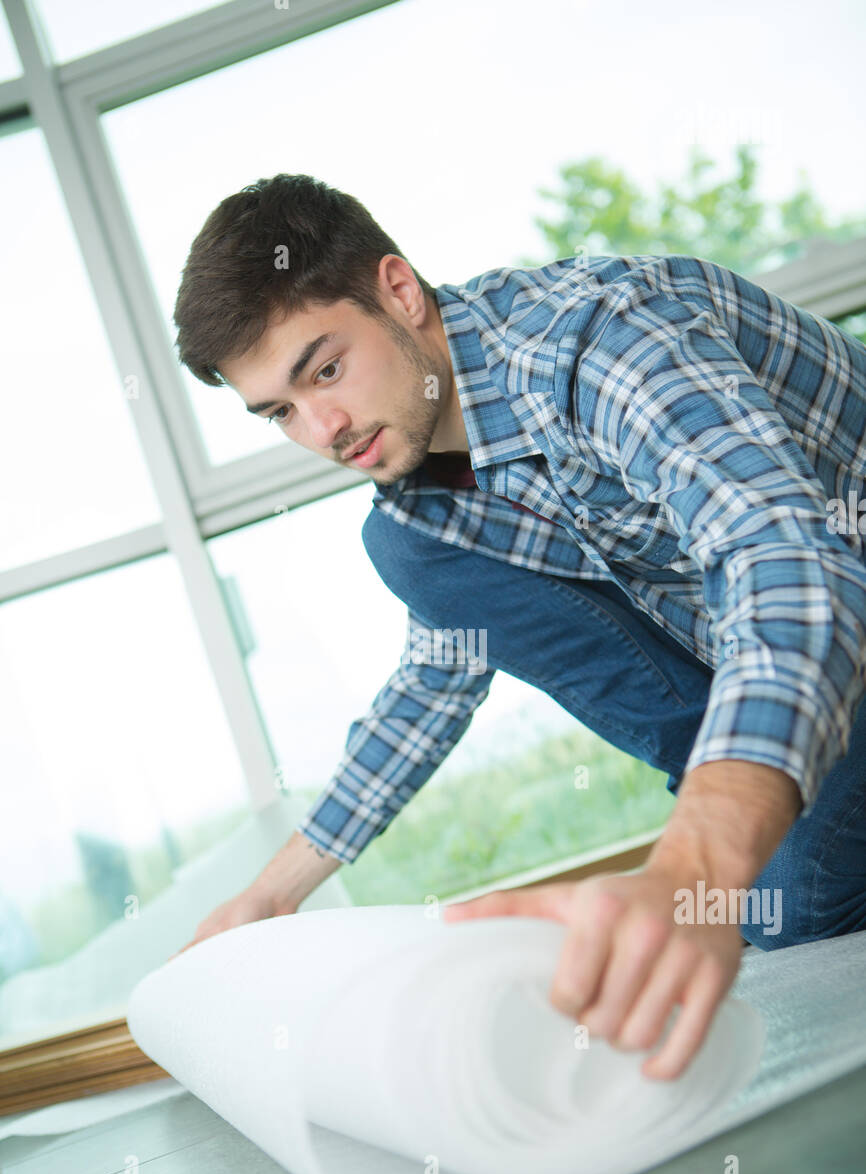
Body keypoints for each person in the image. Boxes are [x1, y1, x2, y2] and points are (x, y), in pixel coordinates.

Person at [170, 173, 866, 1081]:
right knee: (405, 550)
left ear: (400, 292)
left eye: (325, 370)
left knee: (776, 915)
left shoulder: (599, 343)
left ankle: (739, 836)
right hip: (792, 677)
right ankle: (737, 797)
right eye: (280, 413)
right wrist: (272, 891)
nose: (325, 430)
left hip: (834, 615)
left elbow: (788, 568)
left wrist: (694, 868)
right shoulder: (422, 496)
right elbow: (438, 675)